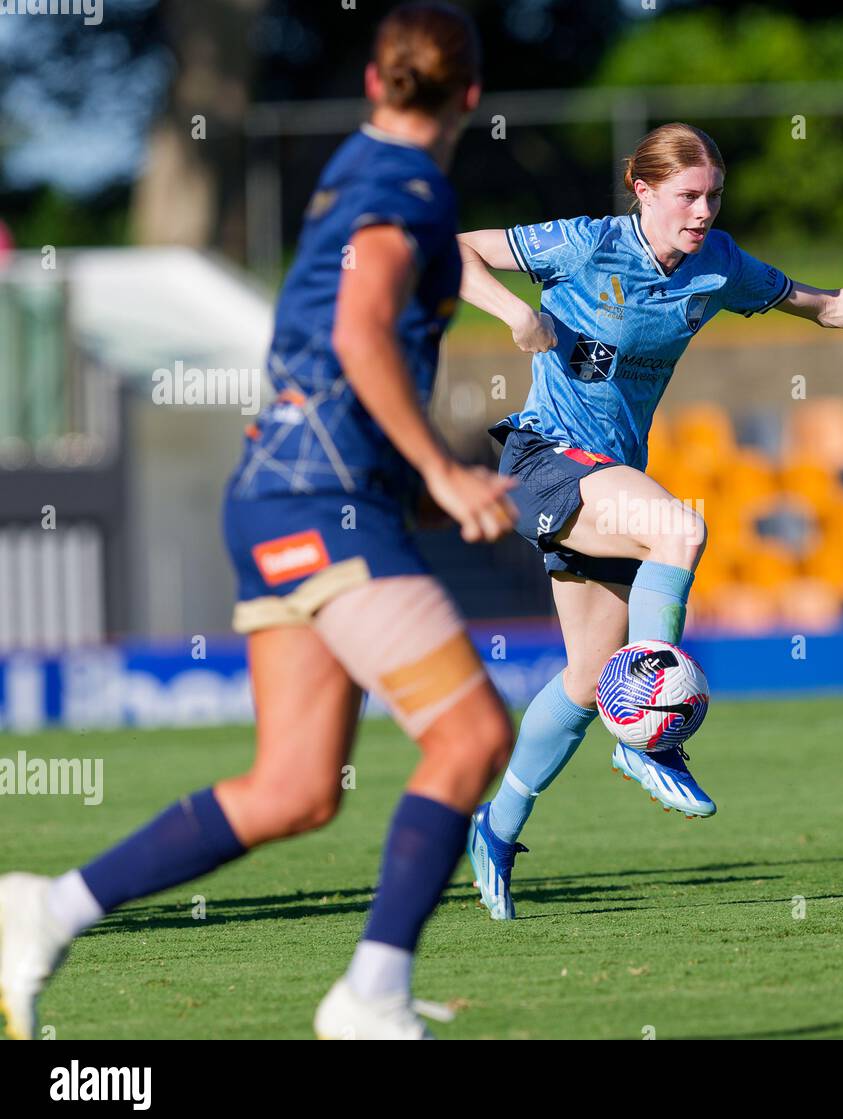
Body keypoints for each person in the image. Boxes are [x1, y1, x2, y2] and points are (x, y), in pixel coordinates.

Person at [0, 1, 516, 1041]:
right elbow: (359, 331)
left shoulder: (353, 168)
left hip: (282, 495)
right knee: (469, 735)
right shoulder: (406, 186)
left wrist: (404, 475)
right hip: (319, 506)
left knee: (292, 788)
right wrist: (440, 469)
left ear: (376, 83)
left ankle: (41, 909)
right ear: (469, 94)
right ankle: (368, 994)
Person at [456, 121, 843, 919]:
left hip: (608, 480)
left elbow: (831, 306)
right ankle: (649, 733)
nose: (704, 210)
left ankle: (496, 830)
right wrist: (514, 314)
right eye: (687, 195)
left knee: (581, 678)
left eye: (713, 194)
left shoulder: (717, 265)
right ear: (641, 190)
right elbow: (448, 248)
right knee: (679, 530)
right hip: (545, 459)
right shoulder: (581, 244)